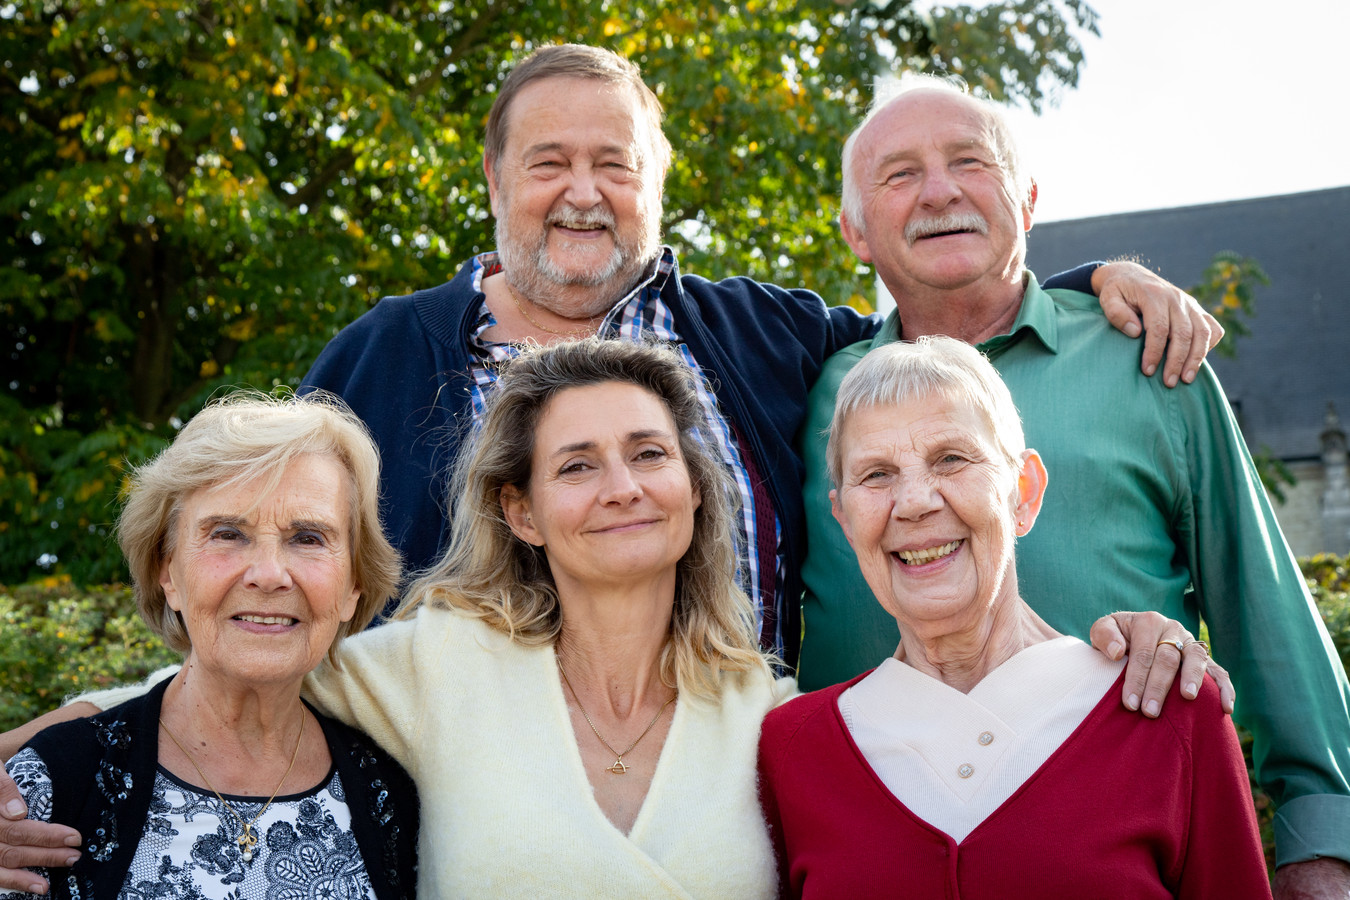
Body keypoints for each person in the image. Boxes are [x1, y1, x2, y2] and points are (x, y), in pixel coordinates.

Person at [0, 340, 1214, 897]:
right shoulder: (440, 665)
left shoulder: (777, 714)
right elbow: (231, 679)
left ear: (697, 490)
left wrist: (1116, 638)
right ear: (521, 512)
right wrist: (29, 760)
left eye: (648, 452)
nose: (623, 484)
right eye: (576, 466)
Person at [299, 42, 1219, 666]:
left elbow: (942, 323)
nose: (584, 192)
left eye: (616, 165)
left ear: (656, 187)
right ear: (497, 179)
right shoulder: (375, 361)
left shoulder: (770, 339)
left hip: (731, 815)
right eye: (548, 164)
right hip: (452, 836)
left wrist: (1090, 288)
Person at [795, 74, 1350, 894]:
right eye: (900, 173)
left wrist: (1321, 845)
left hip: (1105, 840)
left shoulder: (1149, 359)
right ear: (853, 231)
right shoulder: (815, 389)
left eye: (969, 162)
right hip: (869, 845)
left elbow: (1256, 596)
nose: (940, 190)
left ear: (1026, 200)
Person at [760, 337, 1271, 897]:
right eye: (876, 475)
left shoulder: (1167, 710)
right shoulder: (793, 750)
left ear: (1023, 492)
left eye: (951, 459)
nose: (913, 502)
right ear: (844, 520)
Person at [0, 392, 418, 899]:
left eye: (307, 538)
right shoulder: (48, 785)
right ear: (166, 571)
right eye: (227, 534)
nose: (268, 575)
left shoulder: (389, 796)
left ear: (353, 585)